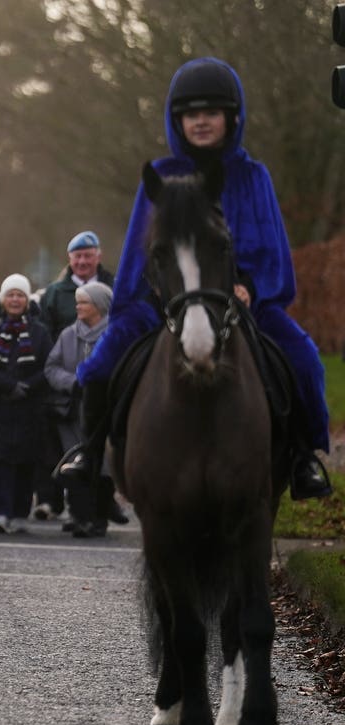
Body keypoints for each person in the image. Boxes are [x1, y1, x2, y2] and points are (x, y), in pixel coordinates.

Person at [60, 57, 332, 500]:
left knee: (304, 359)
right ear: (177, 120)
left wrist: (252, 287)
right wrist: (147, 296)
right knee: (101, 362)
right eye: (191, 114)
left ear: (231, 118)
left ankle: (304, 458)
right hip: (166, 297)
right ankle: (89, 452)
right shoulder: (162, 175)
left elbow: (271, 252)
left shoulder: (252, 177)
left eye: (211, 112)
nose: (201, 121)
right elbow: (137, 254)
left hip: (244, 301)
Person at [0, 274, 53, 533]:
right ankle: (1, 512)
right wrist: (8, 386)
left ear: (27, 300)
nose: (15, 299)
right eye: (11, 295)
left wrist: (26, 387)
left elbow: (48, 365)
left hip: (30, 406)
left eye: (20, 295)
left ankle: (20, 513)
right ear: (2, 298)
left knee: (26, 461)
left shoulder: (40, 332)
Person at [46, 281, 115, 538]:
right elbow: (51, 367)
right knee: (73, 465)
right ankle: (79, 516)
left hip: (103, 412)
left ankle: (99, 516)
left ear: (98, 305)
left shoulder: (114, 334)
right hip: (72, 410)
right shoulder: (67, 335)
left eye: (83, 302)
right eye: (77, 301)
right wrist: (73, 382)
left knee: (103, 466)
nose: (78, 306)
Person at [38, 231, 115, 341]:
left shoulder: (114, 288)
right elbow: (45, 336)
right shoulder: (53, 293)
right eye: (77, 256)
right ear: (70, 259)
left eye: (88, 256)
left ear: (98, 257)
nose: (82, 261)